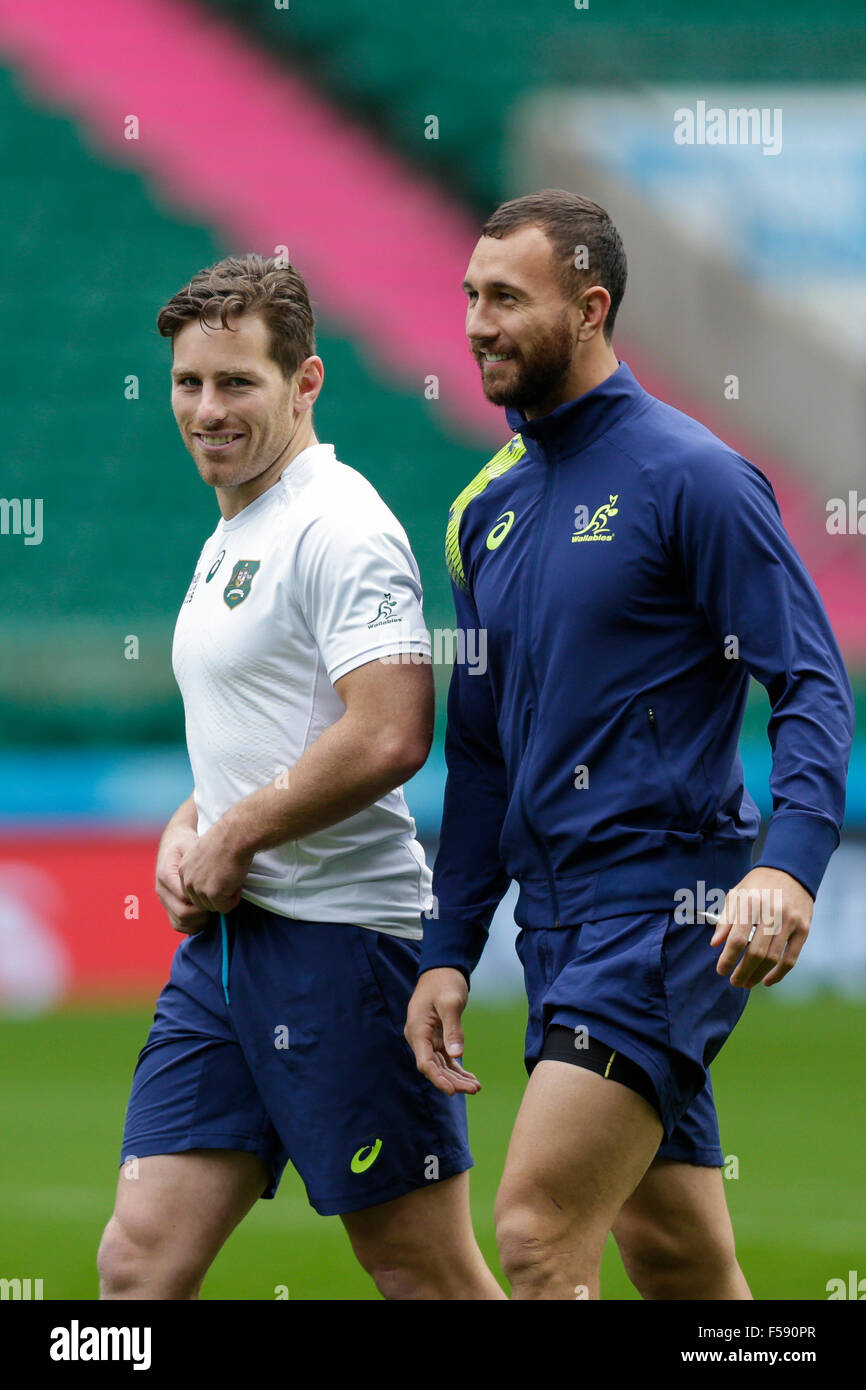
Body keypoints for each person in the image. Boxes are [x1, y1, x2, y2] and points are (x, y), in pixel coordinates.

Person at [404, 191, 855, 1300]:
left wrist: (788, 865)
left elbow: (807, 681)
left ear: (589, 307)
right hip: (555, 927)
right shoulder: (480, 513)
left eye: (505, 298)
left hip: (666, 915)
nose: (474, 322)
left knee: (533, 1230)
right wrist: (449, 944)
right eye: (469, 296)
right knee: (679, 1261)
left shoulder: (693, 476)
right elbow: (481, 757)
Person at [97, 254, 502, 1301]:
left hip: (342, 947)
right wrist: (192, 825)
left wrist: (235, 837)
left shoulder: (341, 524)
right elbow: (261, 732)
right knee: (137, 1262)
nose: (205, 408)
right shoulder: (237, 522)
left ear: (305, 383)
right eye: (189, 383)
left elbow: (388, 733)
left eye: (237, 382)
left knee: (421, 1270)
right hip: (227, 954)